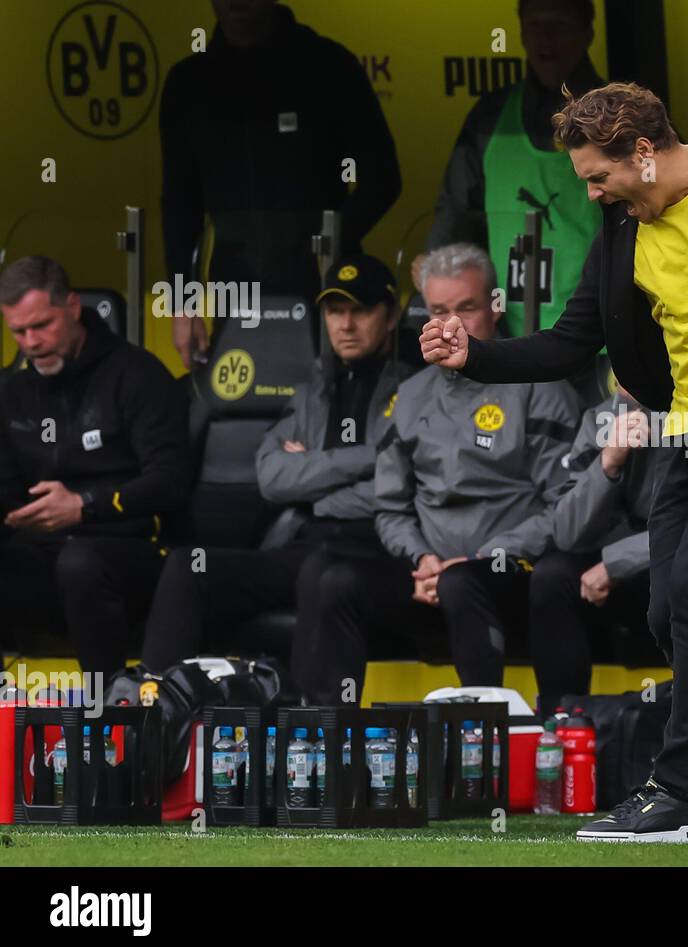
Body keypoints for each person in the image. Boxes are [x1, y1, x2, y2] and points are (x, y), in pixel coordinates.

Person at [422, 82, 688, 845]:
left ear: (645, 153)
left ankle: (679, 791)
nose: (590, 192)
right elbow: (566, 342)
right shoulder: (624, 227)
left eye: (598, 175)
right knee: (665, 610)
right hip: (681, 433)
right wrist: (473, 355)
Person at [302, 244, 578, 698]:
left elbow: (566, 505)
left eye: (466, 308)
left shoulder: (539, 386)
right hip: (429, 576)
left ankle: (481, 735)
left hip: (514, 571)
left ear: (495, 306)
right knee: (337, 581)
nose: (451, 325)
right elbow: (390, 509)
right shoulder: (410, 397)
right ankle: (332, 739)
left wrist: (483, 556)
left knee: (462, 581)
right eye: (438, 311)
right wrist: (422, 559)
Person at [138, 255, 411, 702]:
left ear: (390, 315)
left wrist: (315, 476)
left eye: (361, 311)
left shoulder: (412, 389)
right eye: (335, 311)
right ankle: (156, 710)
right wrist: (365, 459)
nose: (346, 324)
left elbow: (399, 479)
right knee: (191, 564)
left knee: (323, 574)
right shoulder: (313, 391)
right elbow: (272, 478)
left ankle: (308, 734)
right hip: (303, 547)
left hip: (373, 552)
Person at [161, 0, 401, 368]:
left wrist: (325, 241)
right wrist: (183, 303)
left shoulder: (329, 67)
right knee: (241, 409)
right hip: (233, 285)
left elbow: (383, 178)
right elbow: (180, 206)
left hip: (324, 283)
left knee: (328, 407)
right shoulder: (189, 83)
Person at [0, 256, 189, 677]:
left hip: (134, 549)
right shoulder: (11, 392)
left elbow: (171, 482)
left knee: (80, 564)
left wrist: (85, 505)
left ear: (72, 307)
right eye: (18, 332)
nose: (31, 342)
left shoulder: (136, 373)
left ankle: (106, 716)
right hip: (44, 553)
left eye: (42, 325)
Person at [429, 0, 604, 339]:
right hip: (509, 335)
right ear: (521, 32)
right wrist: (438, 266)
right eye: (535, 25)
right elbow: (456, 215)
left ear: (588, 34)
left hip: (601, 341)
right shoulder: (490, 116)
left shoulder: (624, 117)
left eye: (561, 25)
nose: (546, 38)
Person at [528, 385, 662, 717]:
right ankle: (560, 722)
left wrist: (616, 563)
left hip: (669, 564)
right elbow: (567, 532)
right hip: (610, 574)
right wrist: (608, 463)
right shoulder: (600, 418)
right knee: (552, 576)